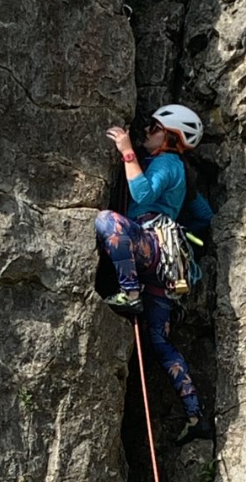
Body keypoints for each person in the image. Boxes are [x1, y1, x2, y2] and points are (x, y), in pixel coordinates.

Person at [95, 104, 214, 446]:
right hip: (166, 269)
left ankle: (130, 293)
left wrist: (127, 151)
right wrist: (178, 228)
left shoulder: (166, 163)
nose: (148, 131)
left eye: (154, 127)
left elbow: (142, 194)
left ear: (169, 136)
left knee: (108, 221)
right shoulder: (181, 172)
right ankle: (195, 415)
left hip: (149, 249)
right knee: (160, 344)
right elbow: (204, 214)